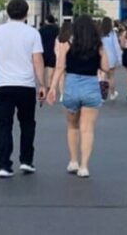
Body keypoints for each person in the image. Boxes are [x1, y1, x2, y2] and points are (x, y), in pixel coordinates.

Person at [0, 0, 46, 179]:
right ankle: (26, 160)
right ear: (26, 13)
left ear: (7, 12)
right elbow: (37, 60)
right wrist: (42, 84)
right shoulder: (32, 33)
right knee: (27, 124)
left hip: (2, 84)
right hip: (25, 85)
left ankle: (4, 164)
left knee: (4, 125)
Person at [46, 14, 109, 178]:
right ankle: (84, 166)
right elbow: (106, 68)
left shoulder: (66, 44)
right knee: (87, 130)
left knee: (72, 127)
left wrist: (52, 88)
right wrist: (103, 52)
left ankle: (73, 161)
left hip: (72, 86)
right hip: (90, 86)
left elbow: (60, 67)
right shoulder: (98, 46)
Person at [98, 17, 122, 101]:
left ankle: (102, 95)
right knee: (111, 76)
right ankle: (112, 93)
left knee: (102, 76)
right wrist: (119, 59)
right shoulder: (112, 33)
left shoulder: (99, 33)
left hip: (101, 57)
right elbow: (116, 46)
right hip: (111, 57)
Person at [38, 14, 59, 90]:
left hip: (42, 51)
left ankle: (42, 84)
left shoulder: (41, 29)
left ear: (46, 20)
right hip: (53, 51)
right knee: (50, 70)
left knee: (42, 69)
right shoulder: (57, 29)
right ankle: (49, 85)